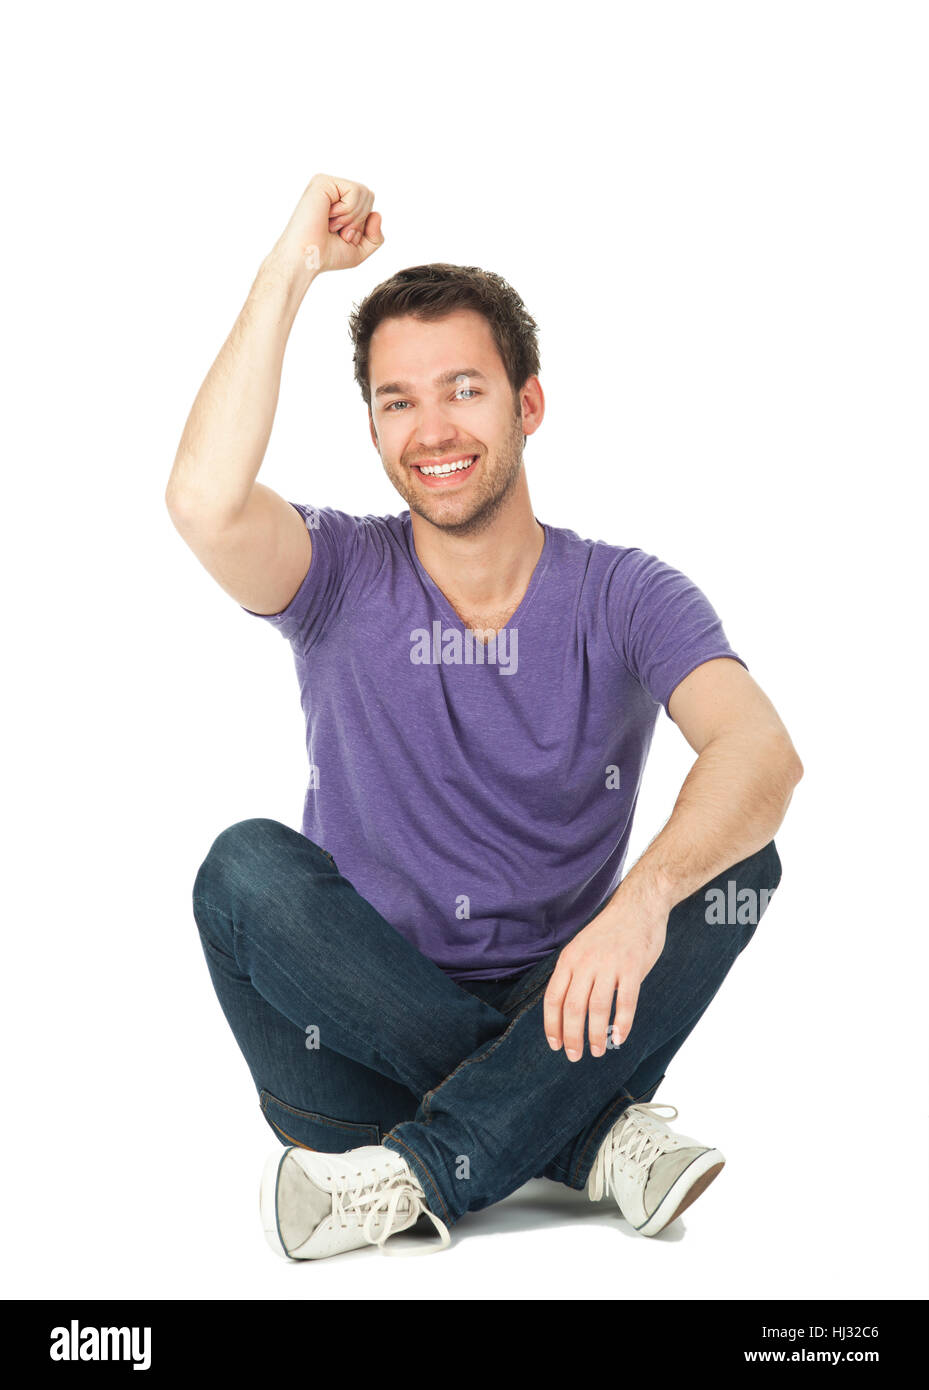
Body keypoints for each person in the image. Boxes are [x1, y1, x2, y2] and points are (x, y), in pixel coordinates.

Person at [165, 173, 803, 1261]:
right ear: (369, 425)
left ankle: (415, 1172)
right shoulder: (335, 573)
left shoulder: (628, 592)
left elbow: (760, 753)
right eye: (395, 401)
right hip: (351, 1060)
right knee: (242, 868)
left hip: (567, 1007)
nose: (430, 429)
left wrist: (641, 898)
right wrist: (292, 268)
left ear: (528, 404)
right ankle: (585, 1137)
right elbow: (204, 502)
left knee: (741, 866)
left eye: (462, 388)